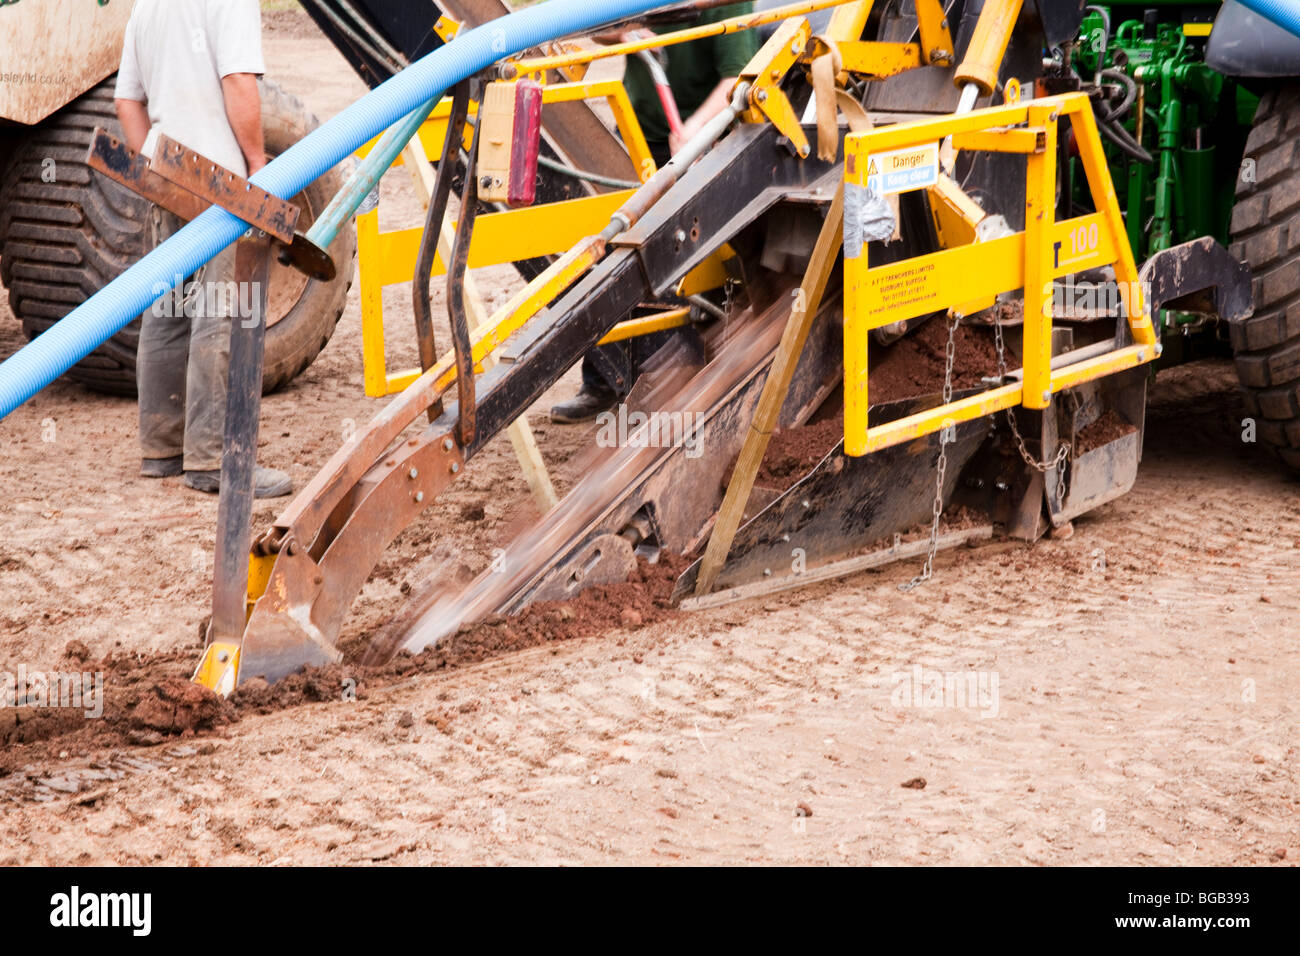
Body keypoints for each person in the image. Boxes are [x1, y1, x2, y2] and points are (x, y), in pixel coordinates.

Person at [114, 0, 292, 498]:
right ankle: (214, 460)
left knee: (168, 311)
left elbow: (126, 101)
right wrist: (258, 166)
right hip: (218, 182)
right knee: (220, 314)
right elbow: (238, 80)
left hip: (167, 173)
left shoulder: (147, 6)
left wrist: (152, 164)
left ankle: (162, 449)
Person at [549, 2, 759, 424]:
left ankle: (683, 372)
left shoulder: (727, 3)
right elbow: (600, 29)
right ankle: (603, 383)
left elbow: (736, 77)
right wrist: (626, 31)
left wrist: (696, 130)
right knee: (603, 246)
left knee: (673, 255)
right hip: (635, 134)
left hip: (701, 141)